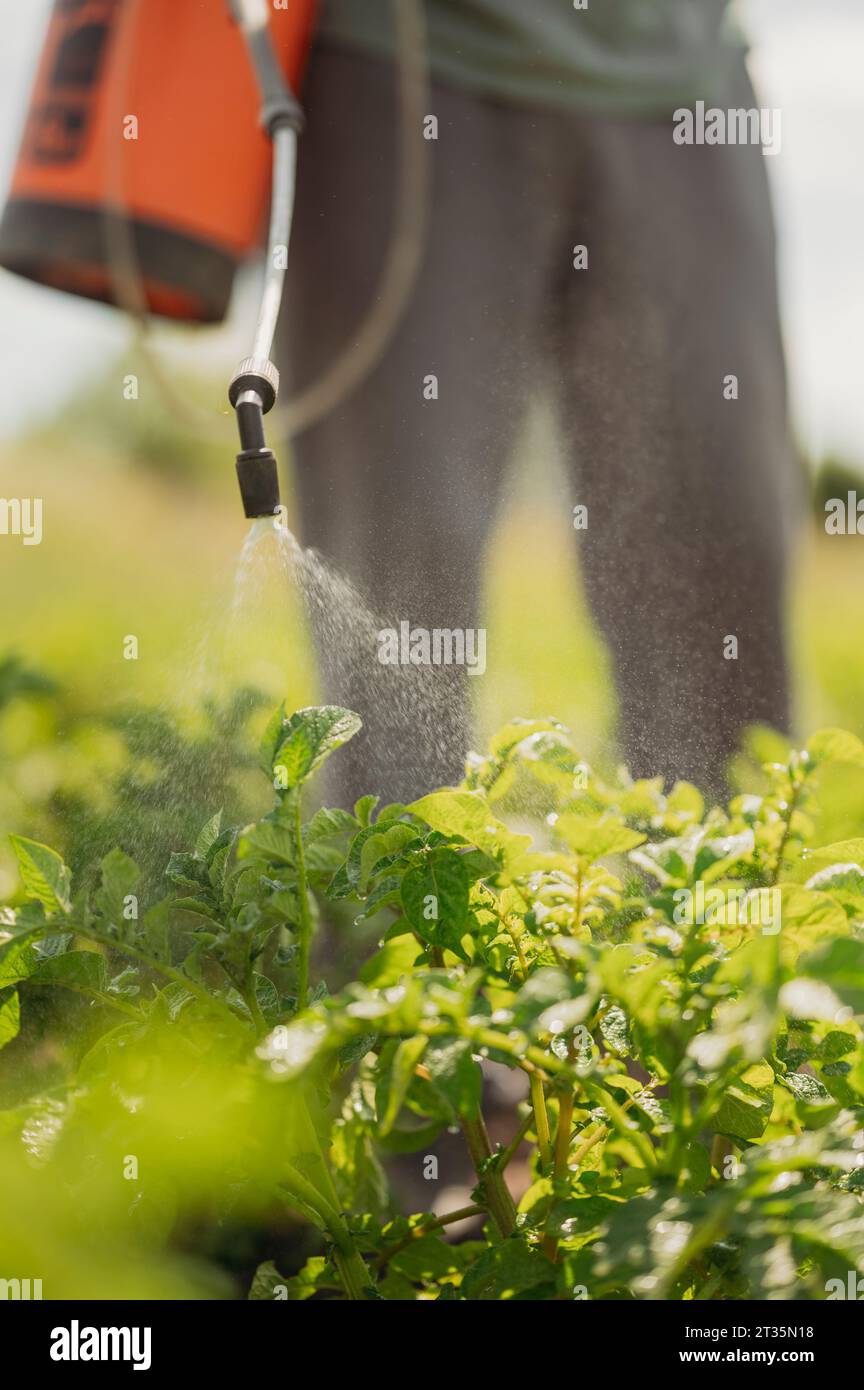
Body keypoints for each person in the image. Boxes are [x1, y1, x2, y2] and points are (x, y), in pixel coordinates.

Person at [280, 0, 797, 804]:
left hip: (683, 77)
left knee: (723, 525)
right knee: (402, 545)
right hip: (408, 53)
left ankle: (722, 906)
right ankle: (383, 910)